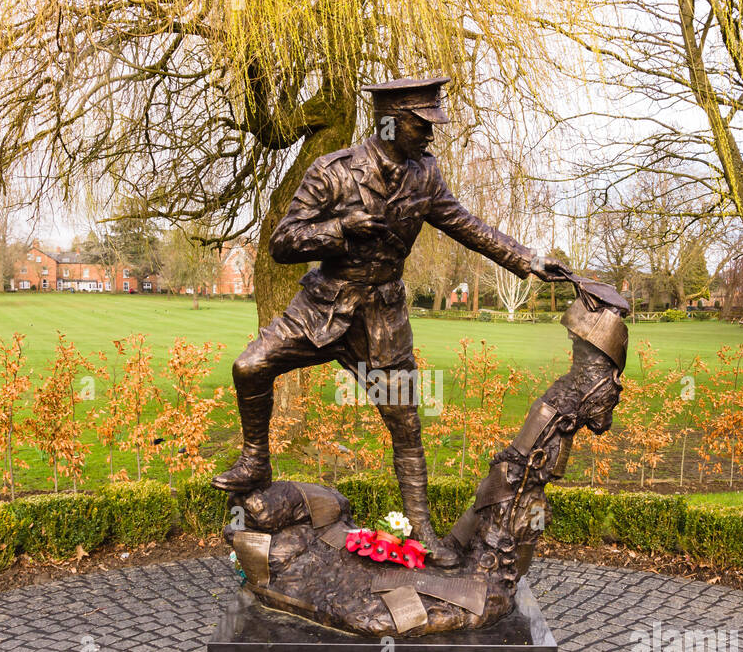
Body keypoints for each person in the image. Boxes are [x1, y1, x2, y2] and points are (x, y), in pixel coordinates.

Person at [213, 76, 572, 567]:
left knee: (405, 423)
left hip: (381, 319)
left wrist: (528, 261)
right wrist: (340, 229)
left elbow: (467, 226)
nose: (430, 135)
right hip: (324, 308)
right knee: (250, 366)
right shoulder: (333, 173)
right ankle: (256, 458)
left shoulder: (425, 175)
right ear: (390, 120)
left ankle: (420, 531)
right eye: (422, 125)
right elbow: (283, 242)